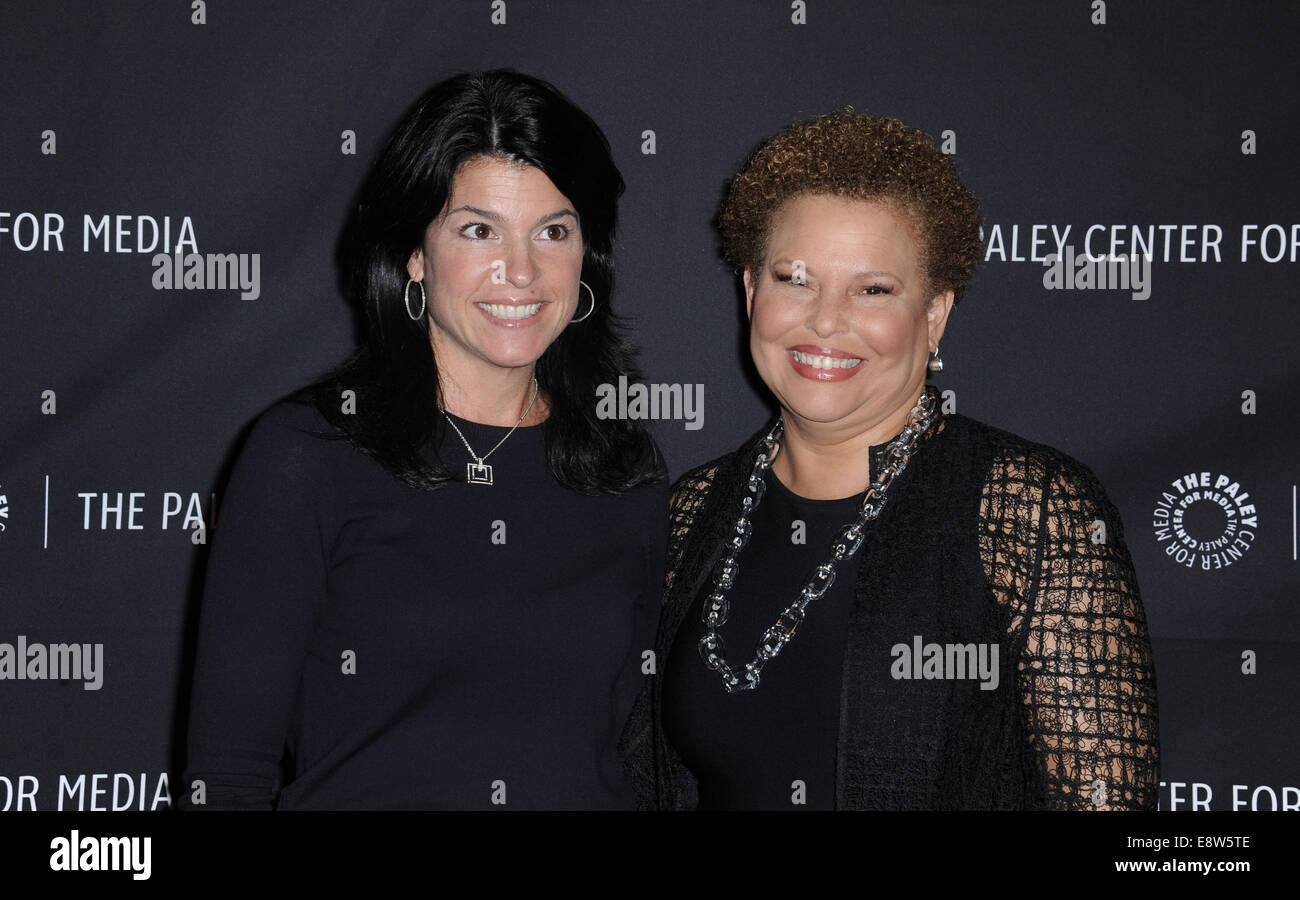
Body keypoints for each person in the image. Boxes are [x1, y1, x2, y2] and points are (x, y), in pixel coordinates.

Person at [622, 110, 1159, 810]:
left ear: (934, 314)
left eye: (873, 289)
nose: (825, 319)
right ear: (751, 290)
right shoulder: (693, 510)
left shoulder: (1028, 511)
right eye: (794, 278)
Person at [182, 70, 667, 810]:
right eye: (479, 230)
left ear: (586, 256)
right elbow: (228, 777)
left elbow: (641, 753)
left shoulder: (624, 468)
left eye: (554, 231)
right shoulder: (306, 454)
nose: (522, 270)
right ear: (415, 254)